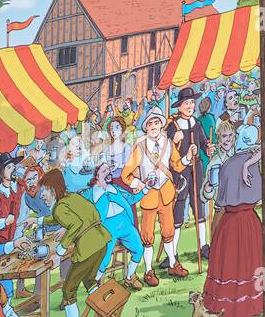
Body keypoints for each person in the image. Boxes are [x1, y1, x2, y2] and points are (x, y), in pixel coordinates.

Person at [121, 104, 189, 285]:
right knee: (148, 236)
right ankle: (149, 270)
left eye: (156, 123)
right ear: (146, 127)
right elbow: (125, 175)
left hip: (166, 194)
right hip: (149, 196)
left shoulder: (168, 143)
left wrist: (188, 157)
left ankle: (173, 264)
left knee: (168, 231)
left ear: (161, 125)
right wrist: (140, 184)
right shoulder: (140, 148)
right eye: (150, 123)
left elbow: (177, 165)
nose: (153, 126)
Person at [40, 167, 110, 317]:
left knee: (68, 291)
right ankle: (105, 313)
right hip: (101, 241)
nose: (42, 196)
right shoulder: (71, 198)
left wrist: (60, 252)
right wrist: (39, 220)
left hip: (88, 248)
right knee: (89, 280)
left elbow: (74, 224)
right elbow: (73, 216)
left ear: (52, 190)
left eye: (44, 191)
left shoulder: (59, 208)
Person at [202, 144, 263, 317]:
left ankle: (246, 303)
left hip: (231, 225)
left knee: (245, 262)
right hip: (244, 224)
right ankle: (249, 303)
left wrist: (247, 164)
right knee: (241, 261)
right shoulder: (228, 164)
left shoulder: (232, 165)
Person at [165, 85, 209, 263]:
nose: (190, 106)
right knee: (179, 210)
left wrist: (208, 148)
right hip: (181, 173)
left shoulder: (196, 123)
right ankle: (172, 253)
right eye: (186, 103)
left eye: (192, 102)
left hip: (196, 169)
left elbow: (204, 142)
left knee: (199, 206)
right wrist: (174, 141)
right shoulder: (173, 127)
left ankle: (204, 246)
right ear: (180, 106)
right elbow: (167, 151)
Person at [88, 160, 145, 289]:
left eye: (108, 170)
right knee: (104, 256)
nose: (108, 172)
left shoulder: (115, 188)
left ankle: (130, 276)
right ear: (96, 176)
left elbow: (130, 199)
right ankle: (94, 281)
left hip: (124, 222)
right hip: (107, 226)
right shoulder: (92, 193)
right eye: (104, 171)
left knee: (139, 248)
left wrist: (145, 190)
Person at [0, 150, 23, 241]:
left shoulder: (17, 188)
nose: (13, 169)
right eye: (9, 167)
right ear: (2, 172)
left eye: (13, 166)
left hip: (18, 235)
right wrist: (4, 222)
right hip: (3, 240)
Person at [103, 112, 132, 182]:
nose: (113, 131)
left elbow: (129, 166)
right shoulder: (107, 148)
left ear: (122, 129)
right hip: (107, 180)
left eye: (117, 128)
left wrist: (118, 165)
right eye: (111, 128)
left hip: (121, 180)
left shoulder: (126, 147)